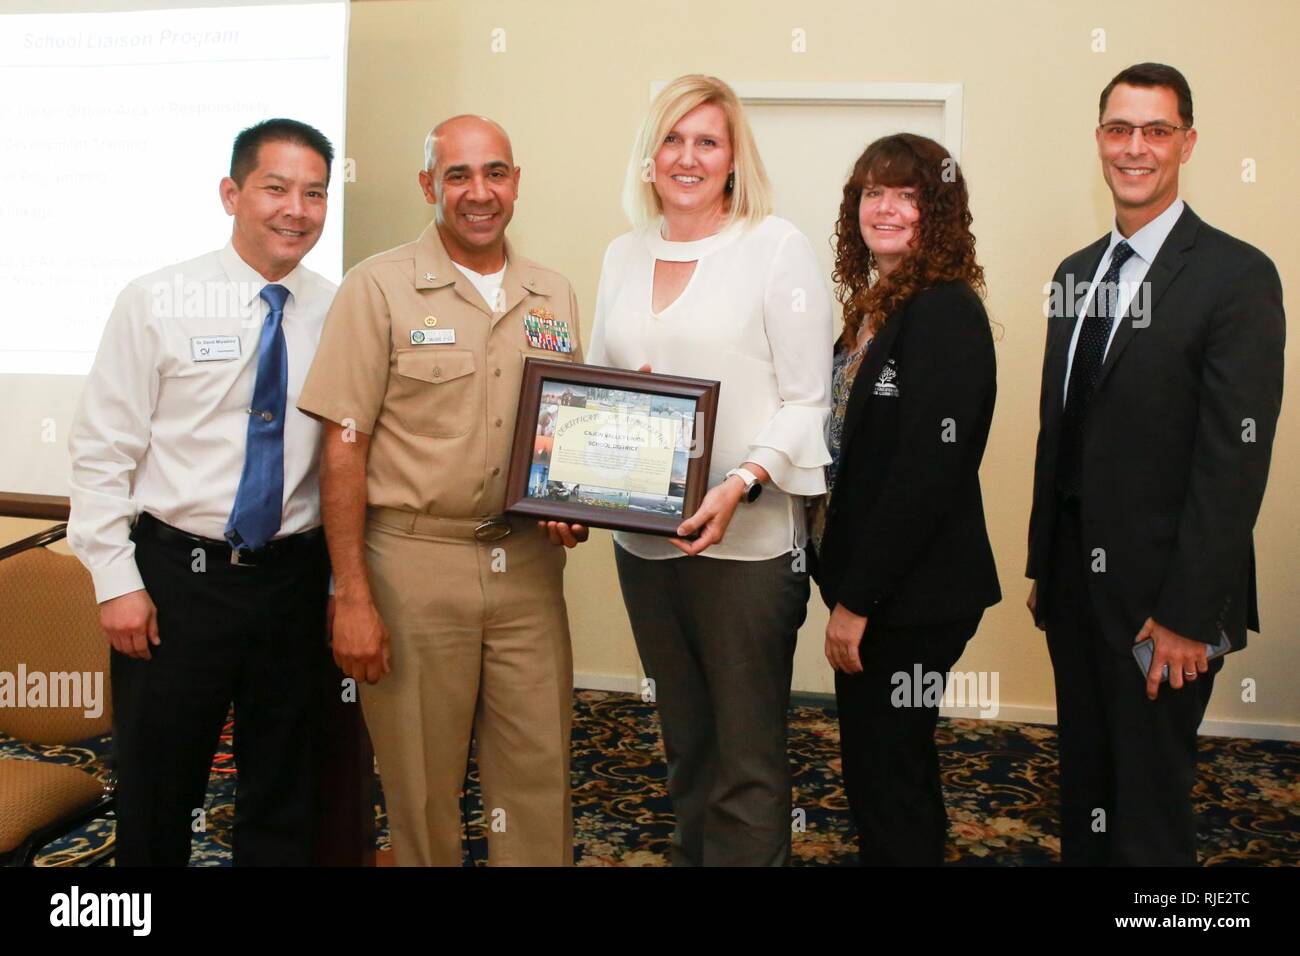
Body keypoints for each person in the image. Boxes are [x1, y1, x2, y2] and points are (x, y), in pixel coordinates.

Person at [297, 115, 583, 867]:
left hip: (524, 568)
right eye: (458, 176)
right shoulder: (377, 288)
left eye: (495, 172)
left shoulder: (552, 293)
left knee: (538, 770)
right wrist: (352, 593)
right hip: (412, 566)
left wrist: (570, 503)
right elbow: (343, 447)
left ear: (516, 182)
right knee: (422, 786)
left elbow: (564, 432)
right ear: (429, 186)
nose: (479, 193)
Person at [1026, 63, 1285, 866]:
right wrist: (1047, 562)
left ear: (1187, 143)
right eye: (1118, 129)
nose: (1134, 148)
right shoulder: (1076, 275)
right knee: (1086, 790)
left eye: (1156, 131)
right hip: (1074, 591)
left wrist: (1185, 615)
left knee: (1146, 809)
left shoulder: (1236, 276)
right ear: (1099, 140)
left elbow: (1232, 462)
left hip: (1165, 606)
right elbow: (1062, 432)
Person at [67, 119, 338, 865]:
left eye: (314, 193)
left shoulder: (339, 309)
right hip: (176, 582)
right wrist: (114, 581)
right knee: (158, 792)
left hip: (292, 580)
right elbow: (101, 450)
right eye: (275, 188)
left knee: (284, 793)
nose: (297, 209)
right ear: (231, 193)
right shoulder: (156, 300)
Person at [585, 74, 833, 866]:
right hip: (645, 545)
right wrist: (567, 480)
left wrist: (742, 481)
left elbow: (807, 401)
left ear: (733, 159)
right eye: (673, 139)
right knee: (686, 741)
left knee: (745, 754)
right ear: (649, 154)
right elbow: (595, 385)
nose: (687, 157)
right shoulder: (623, 253)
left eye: (707, 141)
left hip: (747, 546)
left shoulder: (775, 247)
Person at [809, 133, 1001, 866]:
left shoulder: (943, 312)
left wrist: (858, 602)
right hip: (883, 588)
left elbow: (928, 474)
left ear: (937, 213)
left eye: (907, 196)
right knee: (887, 759)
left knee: (886, 769)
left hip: (910, 597)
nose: (885, 209)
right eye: (872, 193)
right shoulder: (875, 306)